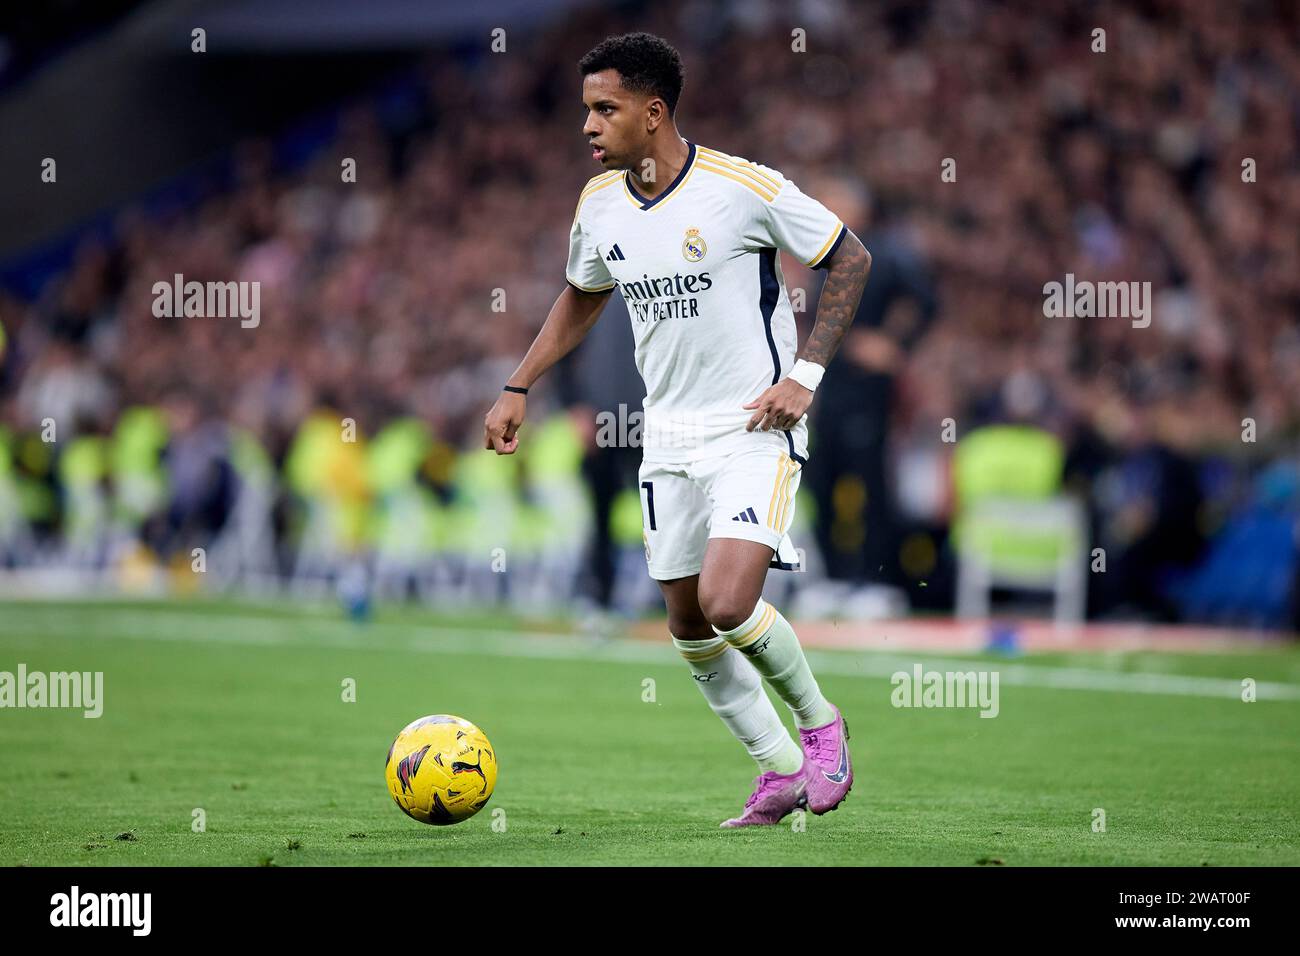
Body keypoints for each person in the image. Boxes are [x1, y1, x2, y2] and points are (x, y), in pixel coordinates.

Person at [482, 32, 871, 827]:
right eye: (585, 110)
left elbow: (849, 258)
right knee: (687, 621)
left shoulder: (741, 187)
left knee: (730, 603)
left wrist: (805, 377)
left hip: (751, 427)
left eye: (605, 109)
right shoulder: (598, 205)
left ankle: (821, 724)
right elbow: (582, 294)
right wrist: (520, 382)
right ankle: (778, 771)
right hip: (666, 437)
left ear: (653, 112)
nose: (588, 126)